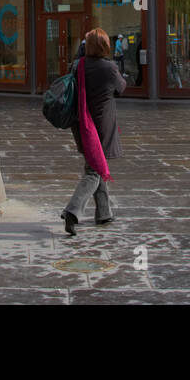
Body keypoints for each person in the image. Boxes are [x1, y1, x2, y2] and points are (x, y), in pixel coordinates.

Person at [61, 27, 126, 236]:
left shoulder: (77, 65)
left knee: (96, 164)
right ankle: (73, 211)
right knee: (94, 171)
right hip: (101, 127)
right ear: (105, 46)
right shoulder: (109, 68)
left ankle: (104, 213)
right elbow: (122, 88)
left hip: (81, 125)